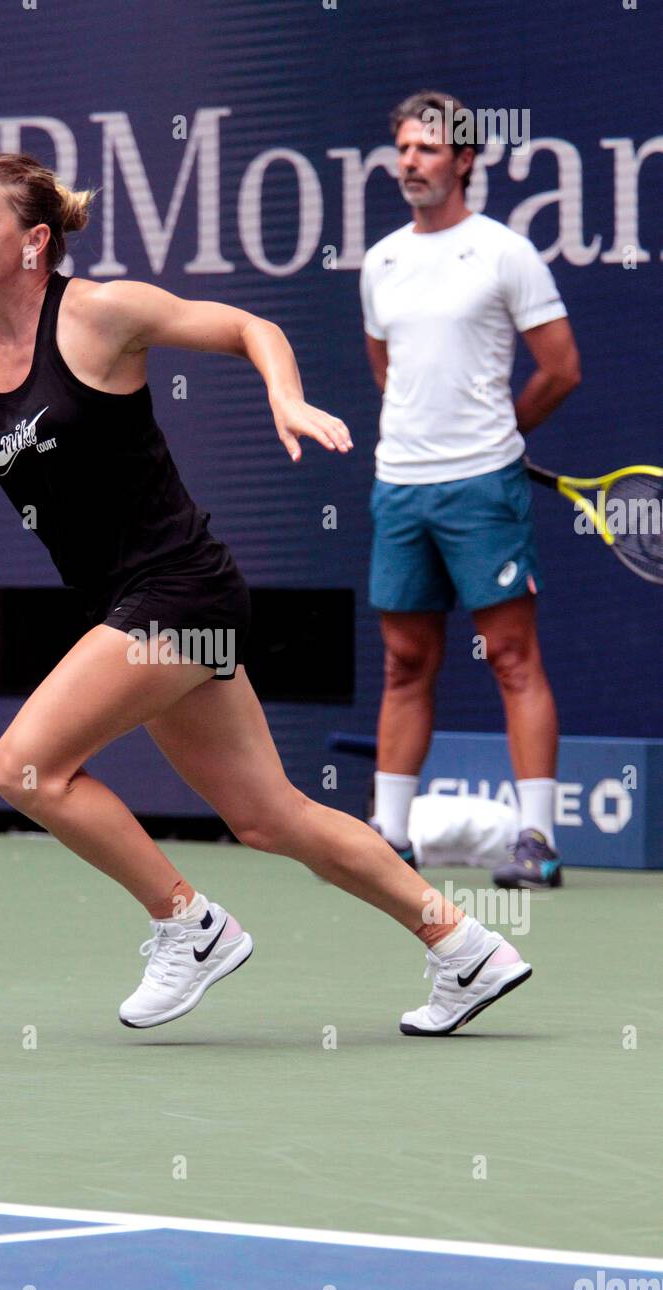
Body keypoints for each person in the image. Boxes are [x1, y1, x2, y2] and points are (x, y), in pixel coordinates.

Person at [0, 151, 531, 1036]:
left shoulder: (100, 314)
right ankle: (465, 946)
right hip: (128, 606)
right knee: (270, 816)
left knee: (25, 766)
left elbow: (248, 327)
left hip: (181, 592)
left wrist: (285, 397)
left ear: (35, 240)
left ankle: (187, 925)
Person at [360, 91, 581, 890]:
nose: (411, 162)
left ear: (464, 161)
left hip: (482, 487)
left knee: (513, 657)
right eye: (404, 149)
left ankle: (538, 842)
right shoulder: (380, 261)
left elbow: (561, 367)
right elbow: (389, 375)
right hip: (400, 486)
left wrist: (500, 437)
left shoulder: (503, 253)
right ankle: (388, 838)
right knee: (403, 663)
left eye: (428, 149)